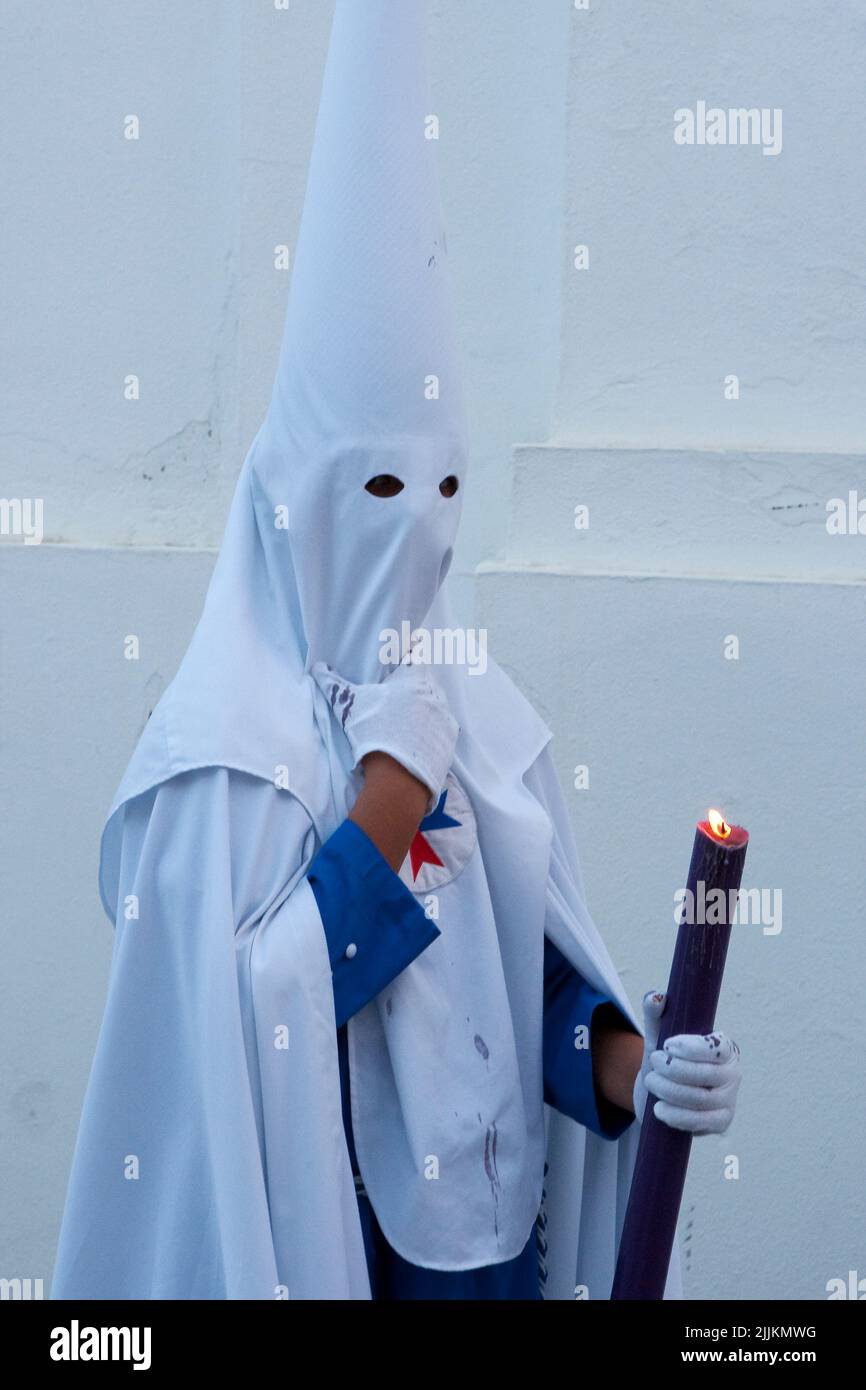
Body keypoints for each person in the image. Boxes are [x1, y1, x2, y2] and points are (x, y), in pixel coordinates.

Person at [52, 0, 741, 1302]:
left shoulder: (480, 716)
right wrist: (383, 804)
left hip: (489, 1263)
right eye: (375, 491)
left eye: (442, 492)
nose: (414, 529)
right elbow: (241, 1046)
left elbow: (524, 1000)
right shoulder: (216, 761)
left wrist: (629, 1067)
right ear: (289, 500)